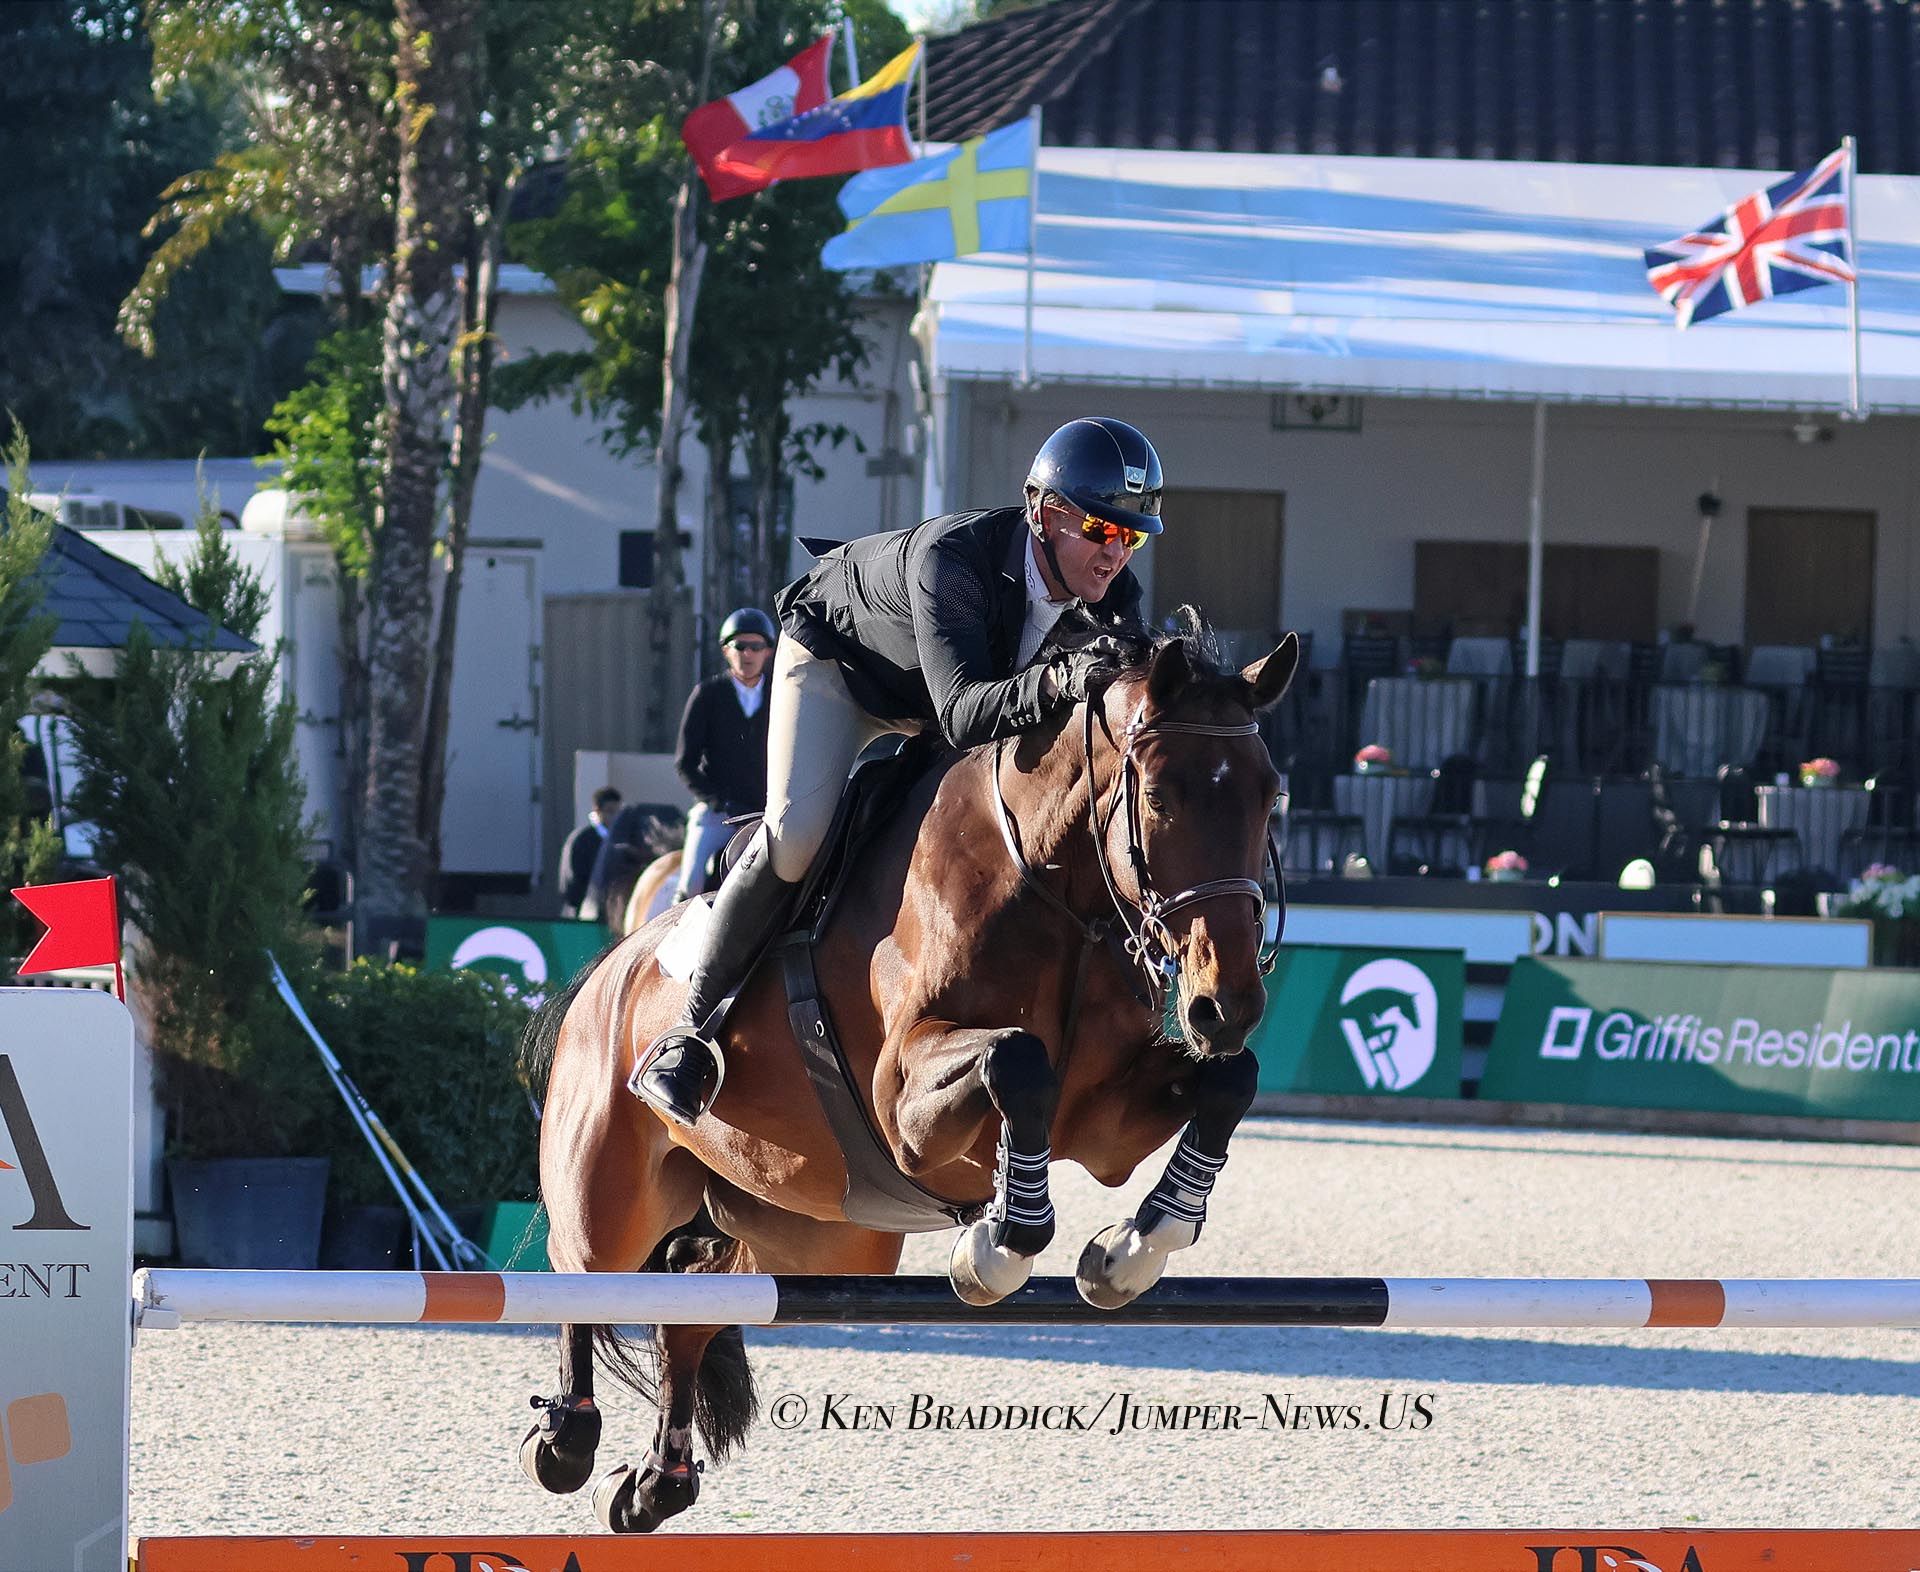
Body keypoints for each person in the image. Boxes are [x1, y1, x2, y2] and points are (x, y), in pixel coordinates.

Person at [634, 415, 1164, 1127]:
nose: (1115, 556)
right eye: (1101, 531)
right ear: (1044, 511)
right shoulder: (955, 559)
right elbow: (963, 715)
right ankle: (689, 1033)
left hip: (944, 697)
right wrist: (1063, 677)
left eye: (1130, 537)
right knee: (799, 833)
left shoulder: (1113, 600)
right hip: (842, 675)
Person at [672, 608, 776, 902]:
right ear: (726, 650)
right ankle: (674, 937)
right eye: (740, 646)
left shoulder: (781, 694)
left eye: (756, 646)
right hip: (719, 813)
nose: (748, 654)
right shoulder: (708, 694)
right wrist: (716, 799)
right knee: (690, 886)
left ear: (767, 651)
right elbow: (685, 763)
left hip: (768, 812)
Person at [559, 786, 621, 917]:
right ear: (598, 812)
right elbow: (572, 880)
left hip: (609, 914)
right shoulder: (581, 839)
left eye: (618, 812)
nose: (615, 817)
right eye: (610, 812)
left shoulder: (618, 842)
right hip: (581, 914)